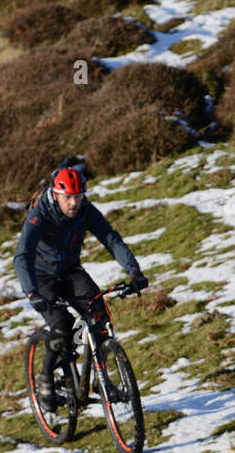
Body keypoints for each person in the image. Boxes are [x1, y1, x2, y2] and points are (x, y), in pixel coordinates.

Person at [14, 161, 148, 409]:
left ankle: (101, 378)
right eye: (67, 198)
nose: (73, 203)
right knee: (62, 325)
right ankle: (45, 378)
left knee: (99, 315)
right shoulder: (39, 215)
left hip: (71, 271)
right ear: (56, 195)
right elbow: (22, 256)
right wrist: (32, 292)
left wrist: (134, 271)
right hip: (41, 277)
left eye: (77, 196)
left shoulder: (86, 210)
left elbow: (110, 238)